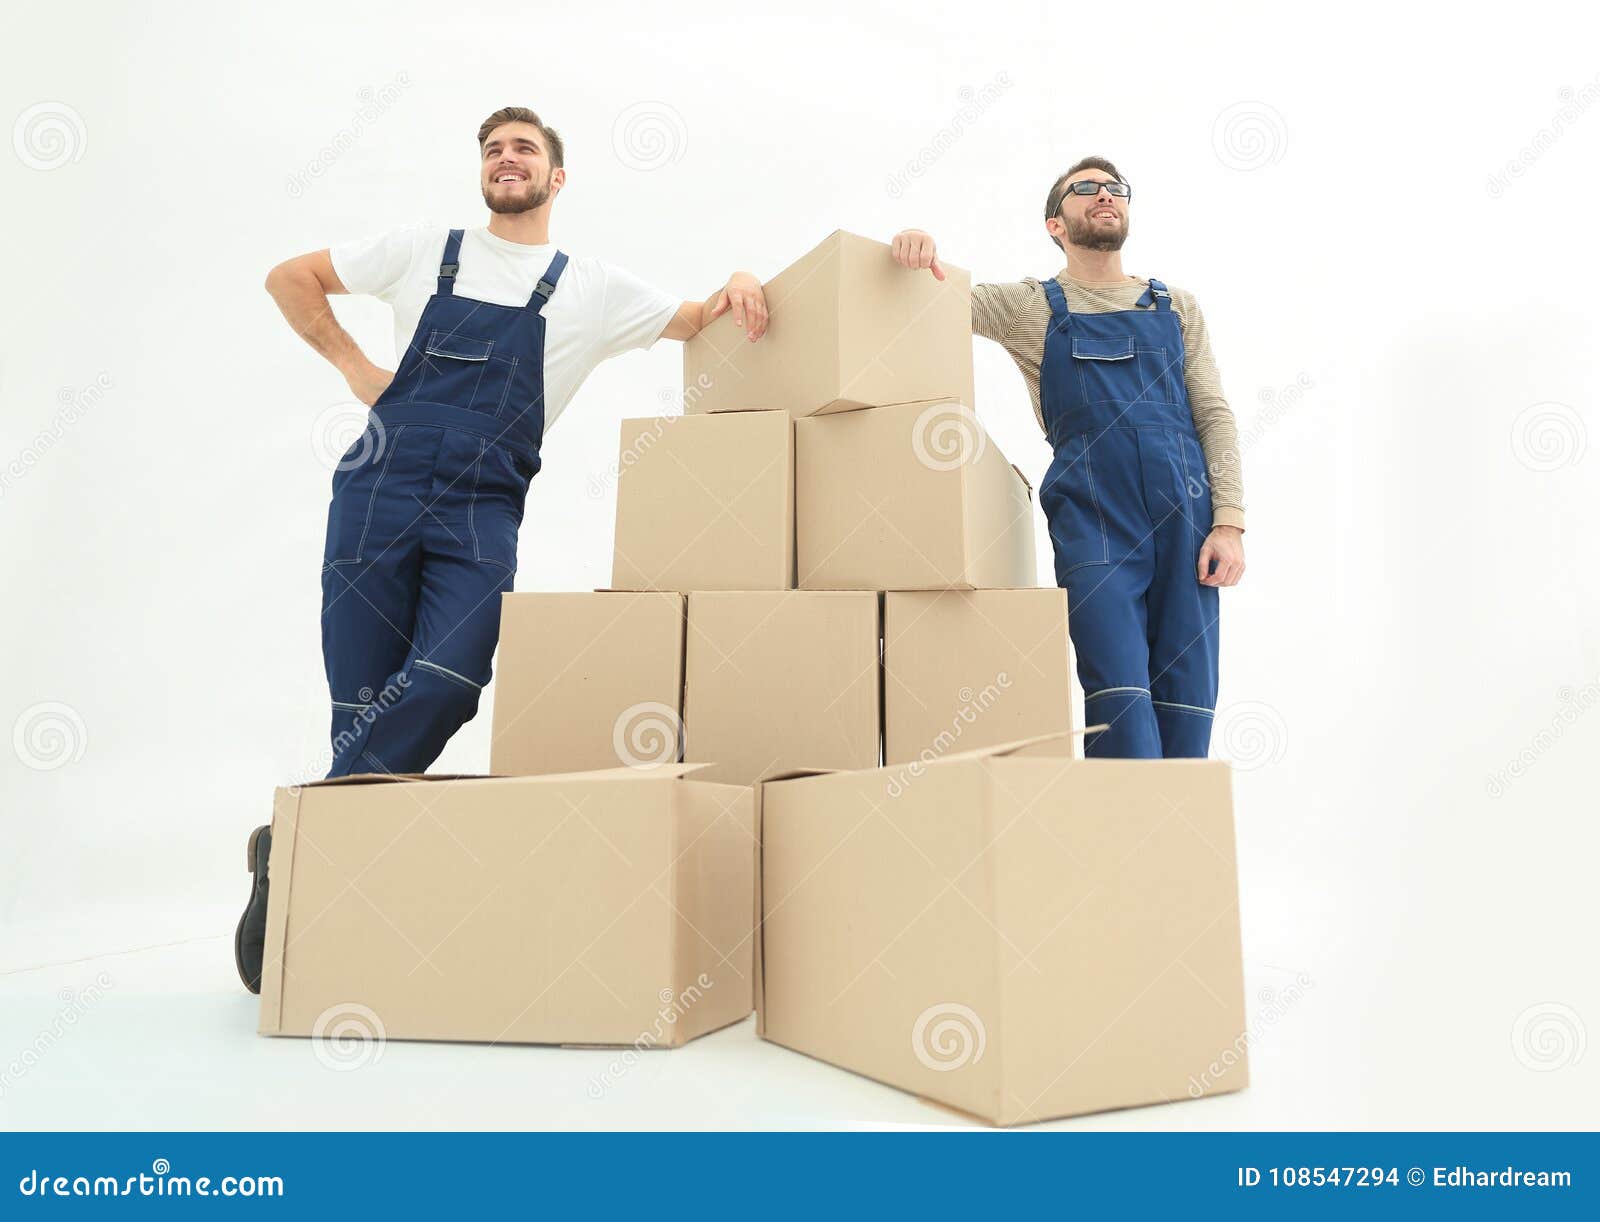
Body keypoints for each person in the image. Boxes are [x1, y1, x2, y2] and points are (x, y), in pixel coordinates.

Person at [234, 106, 769, 993]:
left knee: (449, 678)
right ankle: (328, 939)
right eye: (492, 149)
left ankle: (296, 842)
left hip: (485, 505)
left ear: (557, 178)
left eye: (524, 149)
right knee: (361, 704)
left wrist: (743, 273)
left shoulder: (592, 287)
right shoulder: (421, 248)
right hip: (379, 484)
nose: (505, 158)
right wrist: (357, 369)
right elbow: (289, 277)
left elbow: (706, 316)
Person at [891, 157, 1245, 759]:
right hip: (1095, 515)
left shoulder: (1175, 307)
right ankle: (1117, 838)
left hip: (1185, 516)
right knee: (1119, 693)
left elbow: (1212, 412)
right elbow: (931, 298)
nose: (1104, 196)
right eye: (1086, 189)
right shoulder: (1031, 305)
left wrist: (1230, 522)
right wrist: (914, 250)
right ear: (1056, 223)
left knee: (1188, 699)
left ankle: (1179, 845)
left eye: (1115, 189)